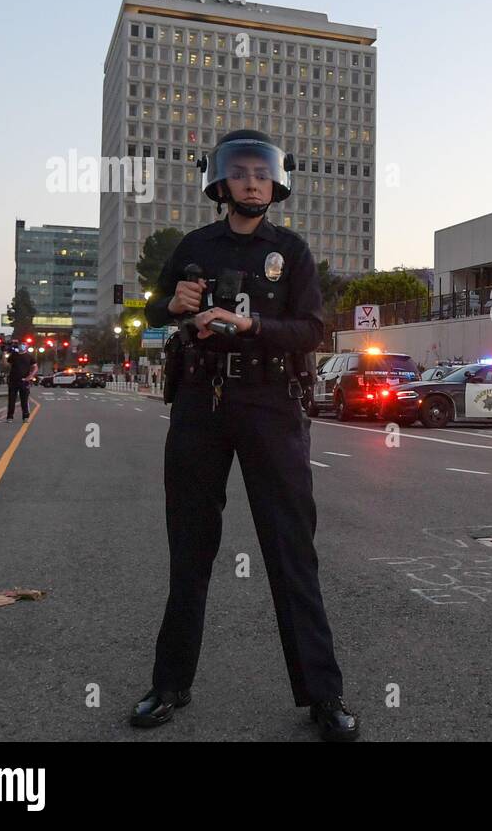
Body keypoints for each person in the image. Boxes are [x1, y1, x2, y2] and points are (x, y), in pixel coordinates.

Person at [131, 129, 357, 741]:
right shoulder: (195, 244)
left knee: (291, 550)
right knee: (190, 546)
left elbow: (312, 329)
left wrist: (252, 326)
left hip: (270, 402)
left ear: (276, 181)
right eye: (241, 172)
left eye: (262, 172)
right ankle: (169, 684)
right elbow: (153, 313)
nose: (252, 181)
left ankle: (322, 695)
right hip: (201, 401)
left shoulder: (293, 250)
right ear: (221, 181)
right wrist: (175, 306)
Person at [5, 341, 37, 422]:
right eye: (20, 345)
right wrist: (4, 353)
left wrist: (30, 376)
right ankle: (10, 417)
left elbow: (35, 367)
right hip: (13, 380)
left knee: (24, 399)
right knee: (12, 399)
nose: (21, 346)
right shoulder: (13, 356)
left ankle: (25, 417)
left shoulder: (29, 357)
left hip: (24, 381)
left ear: (26, 347)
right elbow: (6, 364)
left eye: (23, 345)